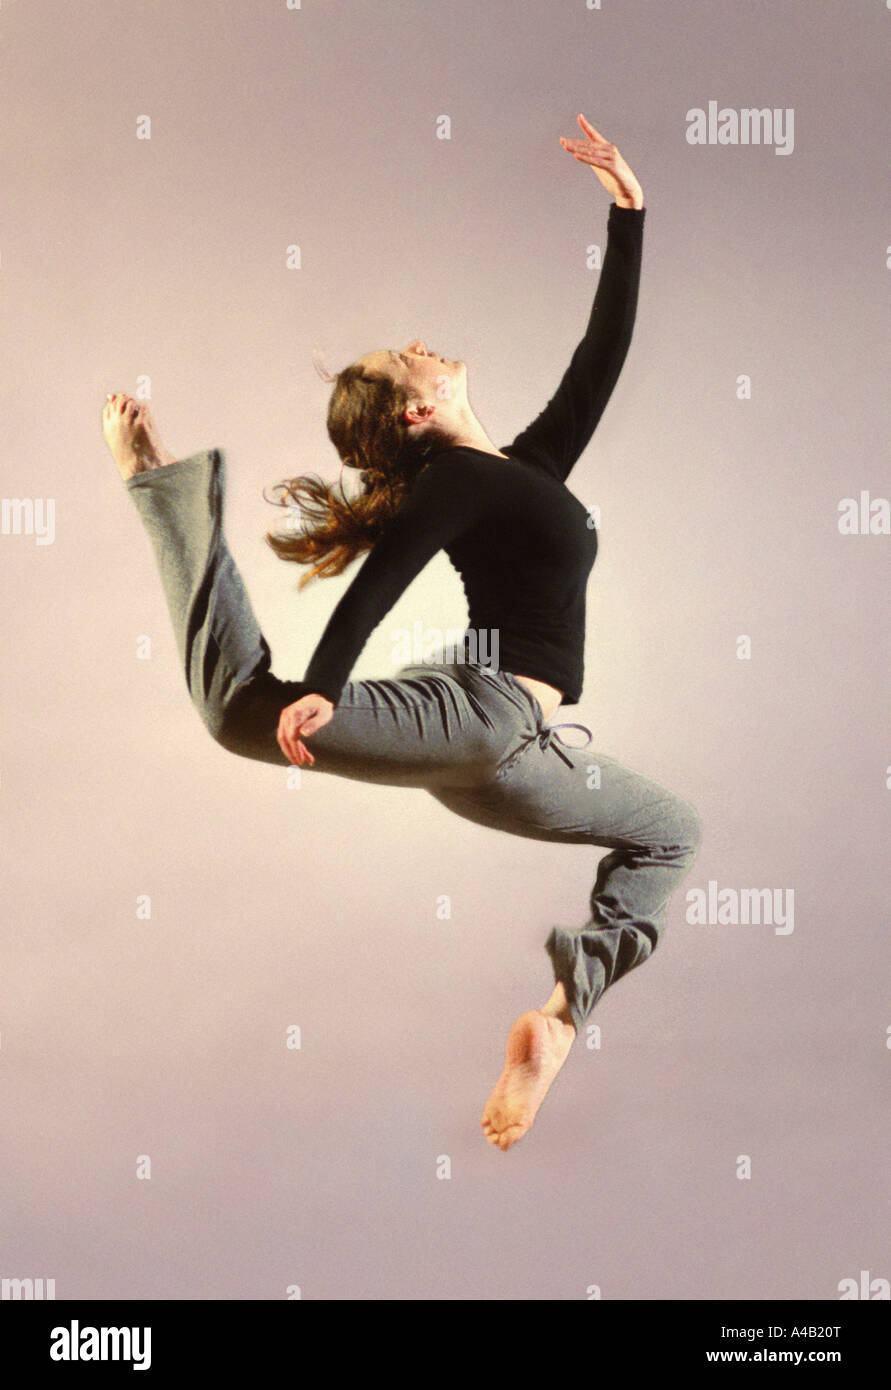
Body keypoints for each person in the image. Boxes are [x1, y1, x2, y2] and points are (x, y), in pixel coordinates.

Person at [101, 115, 701, 1152]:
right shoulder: (458, 480)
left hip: (515, 758)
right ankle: (158, 487)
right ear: (417, 413)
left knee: (669, 830)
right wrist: (324, 684)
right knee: (247, 713)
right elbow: (386, 576)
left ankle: (560, 1020)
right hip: (475, 711)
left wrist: (630, 215)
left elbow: (598, 362)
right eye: (405, 360)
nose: (423, 346)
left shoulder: (523, 468)